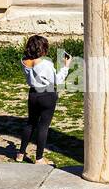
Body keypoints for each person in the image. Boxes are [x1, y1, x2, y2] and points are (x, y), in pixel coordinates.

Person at [17, 34, 70, 163]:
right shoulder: (45, 63)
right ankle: (39, 158)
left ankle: (20, 153)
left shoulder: (24, 61)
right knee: (43, 126)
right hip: (47, 94)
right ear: (42, 48)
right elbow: (56, 80)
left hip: (33, 94)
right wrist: (66, 66)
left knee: (30, 123)